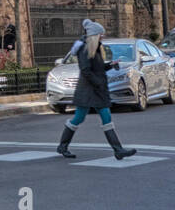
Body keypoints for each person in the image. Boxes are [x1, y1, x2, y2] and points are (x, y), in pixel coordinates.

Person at [57, 21, 137, 160]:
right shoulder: (85, 49)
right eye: (101, 34)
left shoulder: (95, 48)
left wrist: (110, 65)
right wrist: (98, 83)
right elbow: (86, 70)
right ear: (94, 35)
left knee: (105, 117)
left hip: (94, 90)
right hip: (88, 90)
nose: (103, 37)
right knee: (79, 118)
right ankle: (62, 146)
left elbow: (96, 68)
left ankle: (118, 150)